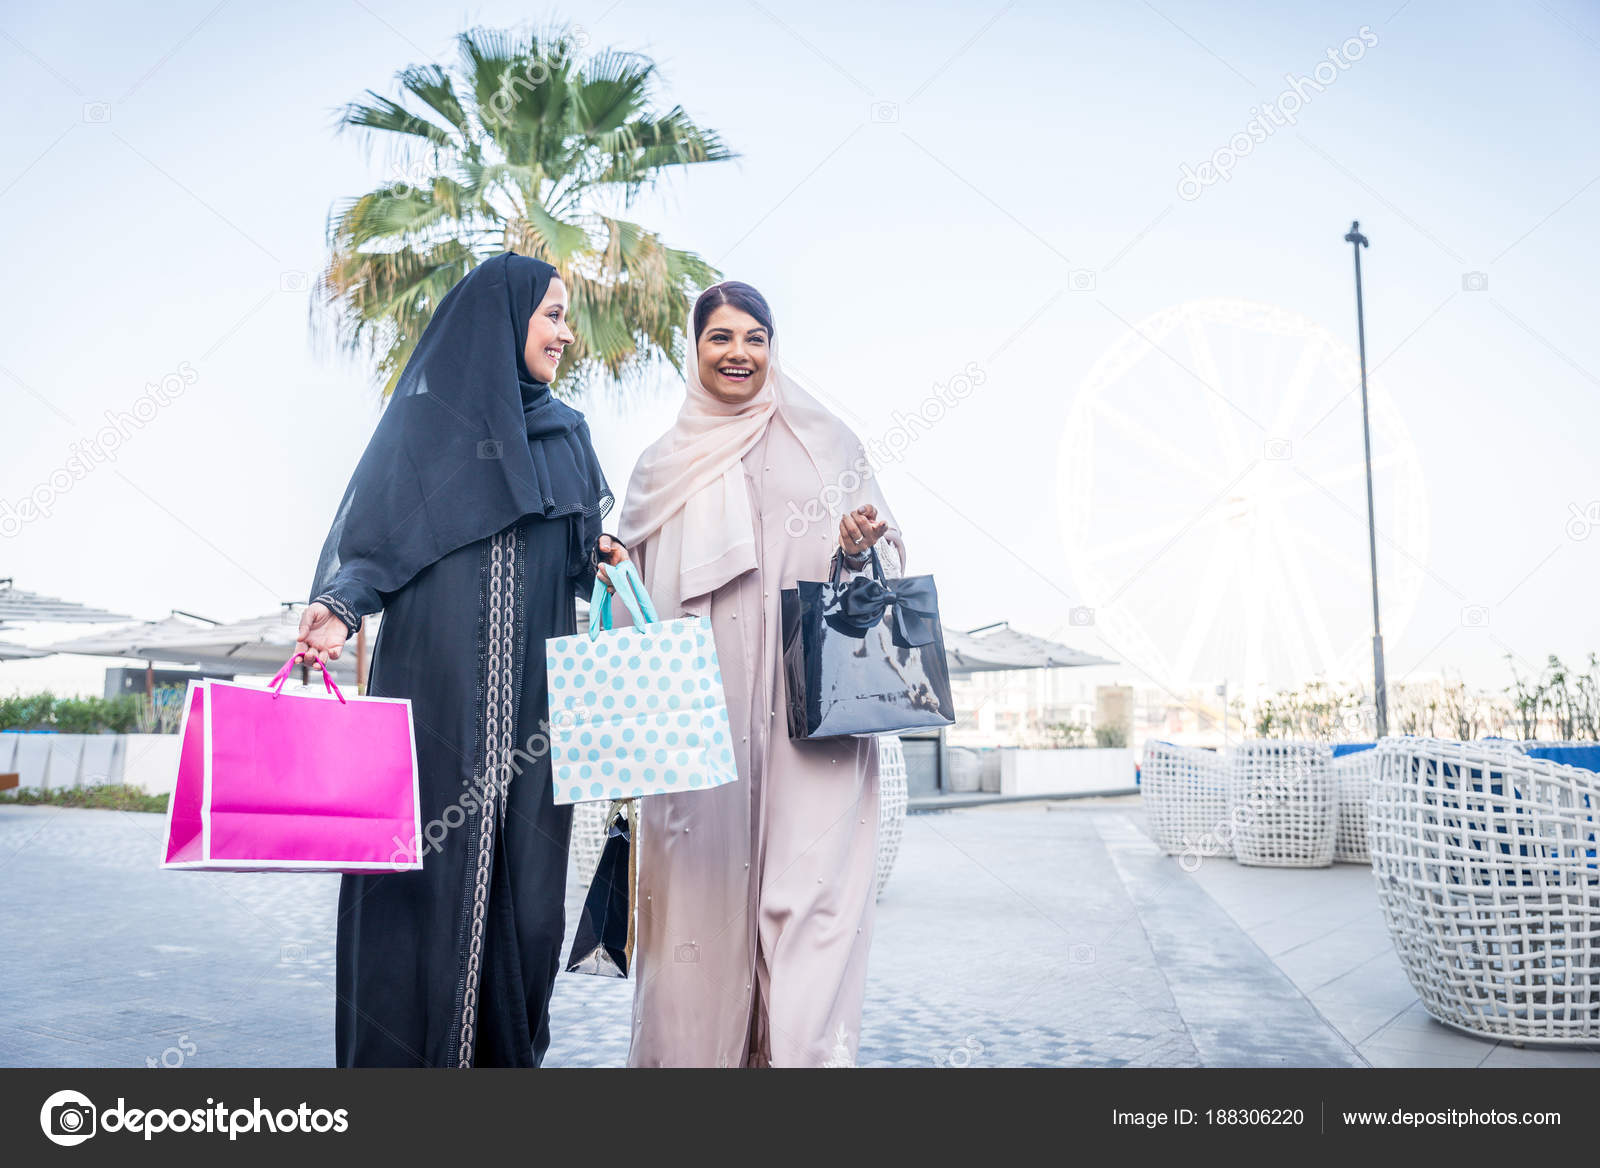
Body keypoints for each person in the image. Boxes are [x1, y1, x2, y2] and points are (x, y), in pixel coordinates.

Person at [296, 252, 627, 1067]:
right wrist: (338, 609)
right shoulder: (424, 427)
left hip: (533, 725)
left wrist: (602, 553)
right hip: (431, 706)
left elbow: (579, 552)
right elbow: (372, 546)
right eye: (551, 314)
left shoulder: (567, 434)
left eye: (565, 316)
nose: (565, 333)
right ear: (501, 319)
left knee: (530, 911)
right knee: (419, 893)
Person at [615, 280, 905, 1067]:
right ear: (696, 348)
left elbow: (883, 562)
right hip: (695, 720)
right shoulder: (659, 467)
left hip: (807, 720)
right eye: (720, 337)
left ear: (773, 347)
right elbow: (629, 592)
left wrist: (856, 547)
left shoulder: (827, 443)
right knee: (696, 910)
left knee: (810, 901)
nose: (738, 352)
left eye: (754, 337)